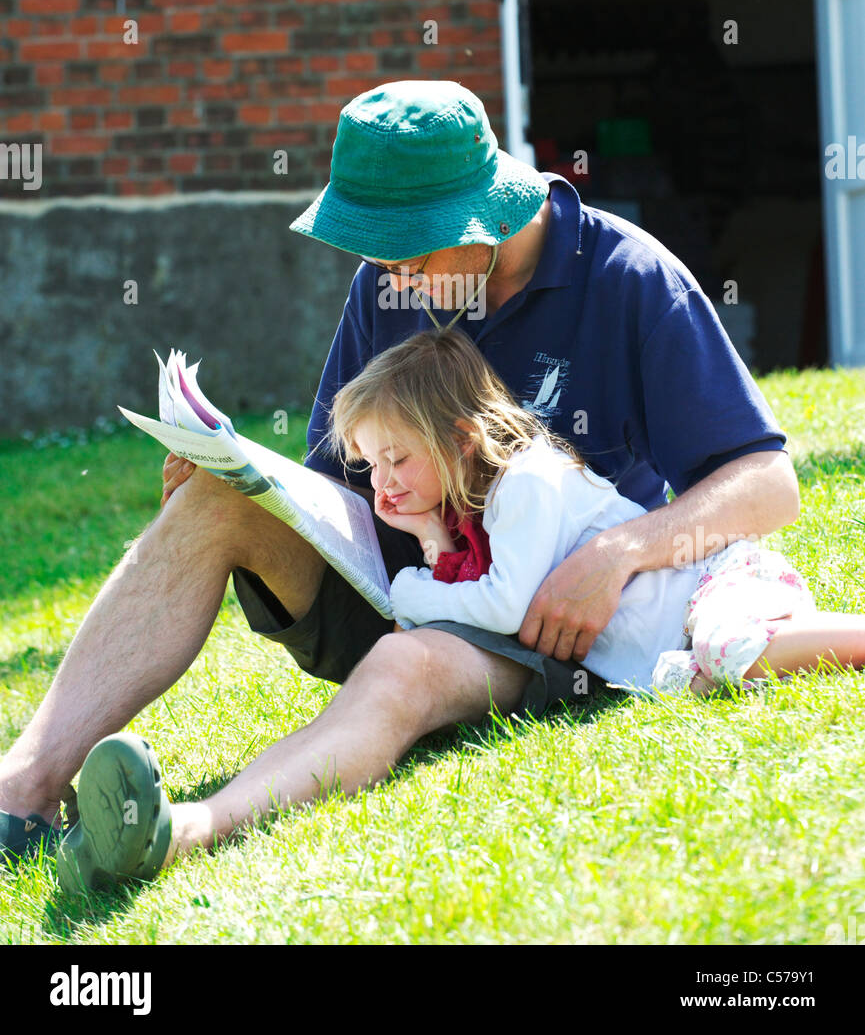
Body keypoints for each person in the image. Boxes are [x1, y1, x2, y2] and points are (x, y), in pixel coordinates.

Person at [0, 80, 800, 889]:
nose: (399, 283)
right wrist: (235, 483)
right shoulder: (388, 283)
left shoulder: (630, 278)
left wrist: (622, 554)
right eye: (384, 261)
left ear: (483, 214)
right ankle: (22, 791)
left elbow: (766, 480)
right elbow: (332, 475)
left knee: (403, 670)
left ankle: (174, 835)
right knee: (214, 499)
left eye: (412, 257)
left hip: (535, 616)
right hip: (393, 579)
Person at [329, 326, 865, 697]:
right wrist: (431, 535)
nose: (381, 480)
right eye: (371, 463)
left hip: (716, 583)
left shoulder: (526, 483)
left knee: (724, 648)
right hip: (672, 638)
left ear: (463, 440)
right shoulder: (475, 507)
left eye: (397, 458)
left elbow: (503, 610)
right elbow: (473, 591)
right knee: (681, 679)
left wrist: (408, 588)